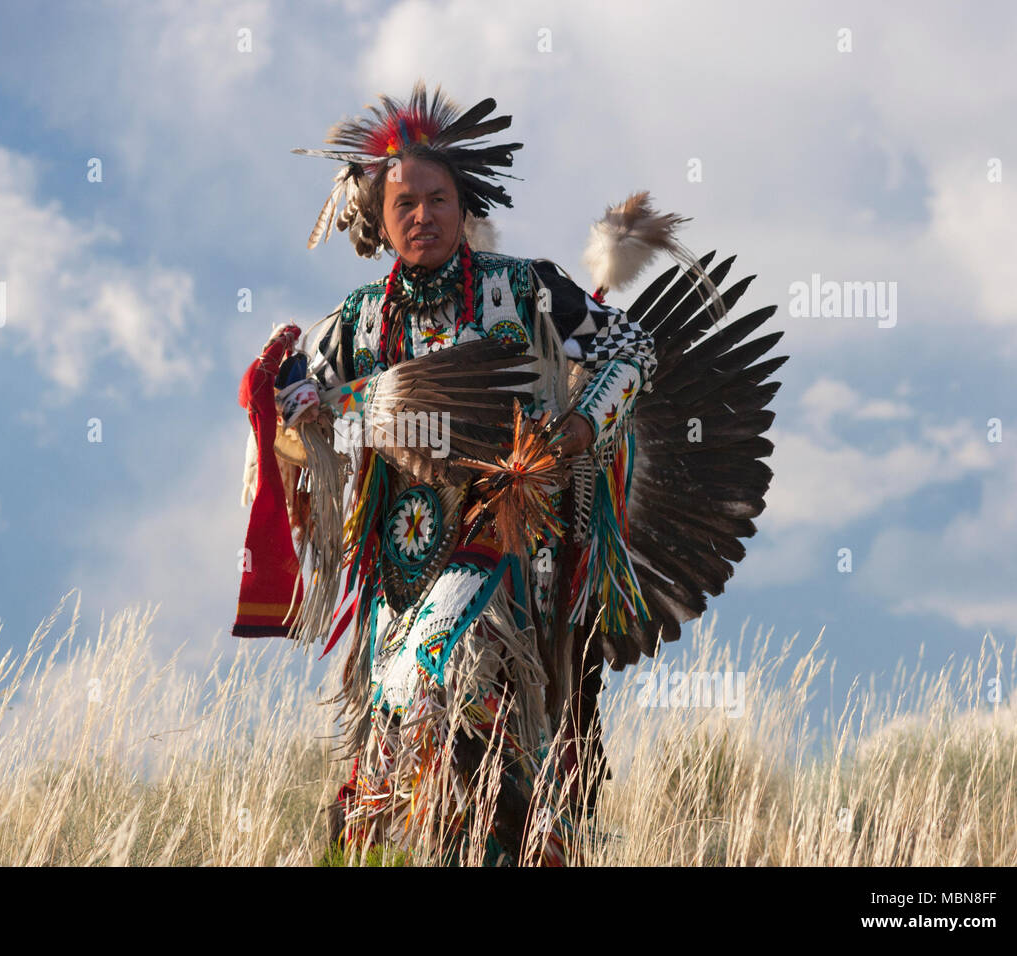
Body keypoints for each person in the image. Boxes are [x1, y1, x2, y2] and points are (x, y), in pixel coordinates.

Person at [232, 80, 785, 866]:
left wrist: (579, 427)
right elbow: (292, 401)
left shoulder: (521, 290)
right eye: (404, 204)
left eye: (438, 198)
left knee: (464, 705)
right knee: (388, 748)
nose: (422, 214)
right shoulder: (357, 321)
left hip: (509, 547)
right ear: (376, 216)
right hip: (399, 560)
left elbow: (632, 349)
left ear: (463, 205)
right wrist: (327, 407)